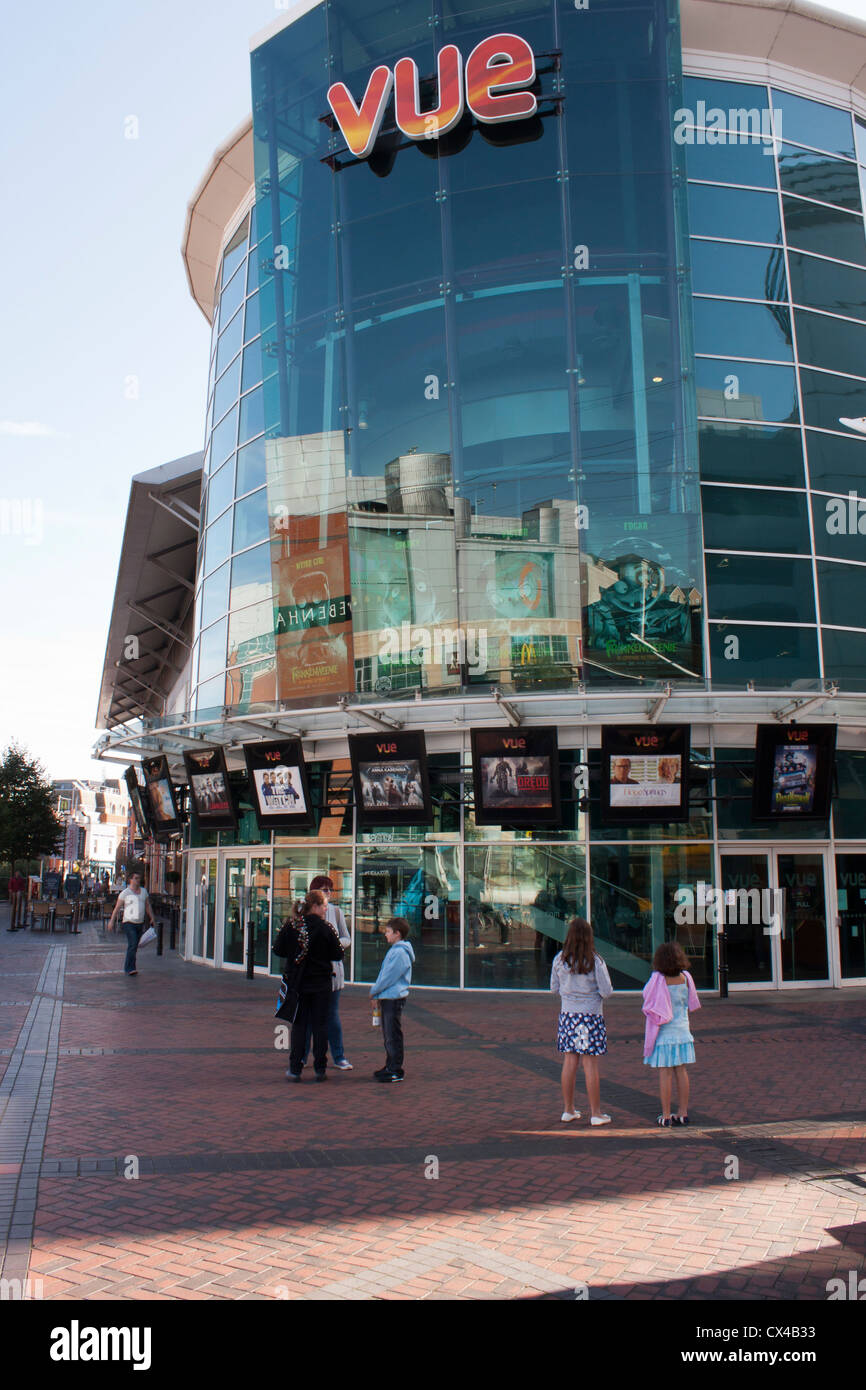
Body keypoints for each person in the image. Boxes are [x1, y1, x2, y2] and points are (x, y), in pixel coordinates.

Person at [550, 917, 614, 1125]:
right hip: (591, 1016)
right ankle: (596, 1113)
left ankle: (568, 1109)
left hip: (568, 1015)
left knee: (569, 1061)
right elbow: (606, 991)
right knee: (590, 1064)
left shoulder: (559, 959)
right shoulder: (596, 960)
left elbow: (554, 988)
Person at [278, 889, 344, 1082]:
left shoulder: (293, 926)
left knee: (299, 1025)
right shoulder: (326, 929)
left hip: (298, 983)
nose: (326, 909)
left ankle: (295, 1067)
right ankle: (320, 1068)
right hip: (321, 983)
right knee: (320, 1025)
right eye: (324, 905)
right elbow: (338, 954)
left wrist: (295, 954)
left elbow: (278, 949)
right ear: (314, 906)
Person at [642, 941, 701, 1126]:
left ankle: (666, 1115)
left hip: (664, 1034)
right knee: (681, 1071)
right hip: (683, 1032)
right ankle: (683, 1112)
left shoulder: (658, 979)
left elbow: (646, 996)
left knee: (665, 1074)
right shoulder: (686, 978)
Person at [303, 875, 353, 1070]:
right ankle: (303, 1054)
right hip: (310, 973)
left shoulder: (336, 912)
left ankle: (338, 1055)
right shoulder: (303, 914)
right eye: (324, 889)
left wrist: (334, 945)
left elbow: (346, 937)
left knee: (332, 1015)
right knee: (306, 1017)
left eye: (330, 889)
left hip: (331, 972)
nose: (328, 893)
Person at [369, 917, 414, 1083]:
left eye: (388, 932)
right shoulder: (396, 951)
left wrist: (375, 991)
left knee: (392, 1033)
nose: (386, 935)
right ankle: (390, 1065)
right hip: (389, 996)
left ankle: (395, 1067)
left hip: (393, 997)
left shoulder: (399, 953)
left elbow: (388, 977)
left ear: (397, 933)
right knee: (388, 1033)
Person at [107, 871, 156, 976]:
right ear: (131, 880)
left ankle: (128, 966)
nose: (138, 880)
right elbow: (117, 908)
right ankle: (130, 968)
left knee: (134, 945)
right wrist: (112, 921)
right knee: (133, 944)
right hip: (128, 923)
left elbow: (147, 905)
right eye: (136, 878)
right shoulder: (125, 893)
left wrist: (152, 917)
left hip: (139, 922)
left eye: (139, 878)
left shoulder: (143, 892)